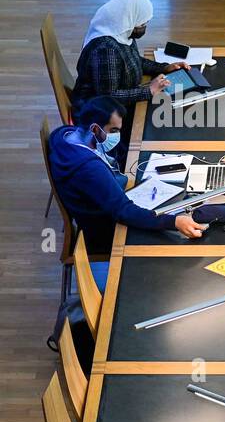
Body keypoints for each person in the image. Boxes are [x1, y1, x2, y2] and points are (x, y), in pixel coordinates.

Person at [48, 96, 205, 283]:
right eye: (113, 130)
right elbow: (123, 211)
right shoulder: (89, 169)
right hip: (107, 230)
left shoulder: (64, 135)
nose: (116, 135)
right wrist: (175, 222)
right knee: (177, 261)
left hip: (101, 208)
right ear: (95, 129)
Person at [71, 0, 189, 165]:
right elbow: (108, 97)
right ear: (131, 19)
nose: (144, 27)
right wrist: (148, 90)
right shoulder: (106, 49)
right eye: (143, 23)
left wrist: (163, 67)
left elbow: (134, 61)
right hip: (102, 117)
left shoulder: (121, 30)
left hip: (122, 103)